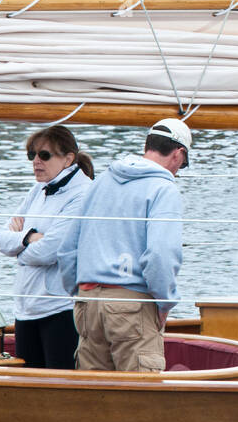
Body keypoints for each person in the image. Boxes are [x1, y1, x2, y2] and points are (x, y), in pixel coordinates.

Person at [57, 118, 190, 372]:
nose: (178, 170)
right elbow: (161, 256)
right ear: (179, 154)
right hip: (132, 305)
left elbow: (67, 250)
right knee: (139, 400)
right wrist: (164, 303)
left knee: (94, 399)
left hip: (87, 304)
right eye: (182, 165)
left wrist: (79, 293)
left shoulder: (100, 183)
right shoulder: (164, 189)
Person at [0, 126, 93, 369]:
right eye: (32, 155)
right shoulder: (37, 189)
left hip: (60, 307)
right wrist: (29, 237)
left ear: (68, 158)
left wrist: (18, 243)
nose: (36, 162)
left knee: (60, 387)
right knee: (29, 389)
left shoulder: (83, 193)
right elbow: (1, 239)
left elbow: (51, 251)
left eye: (45, 155)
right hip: (26, 306)